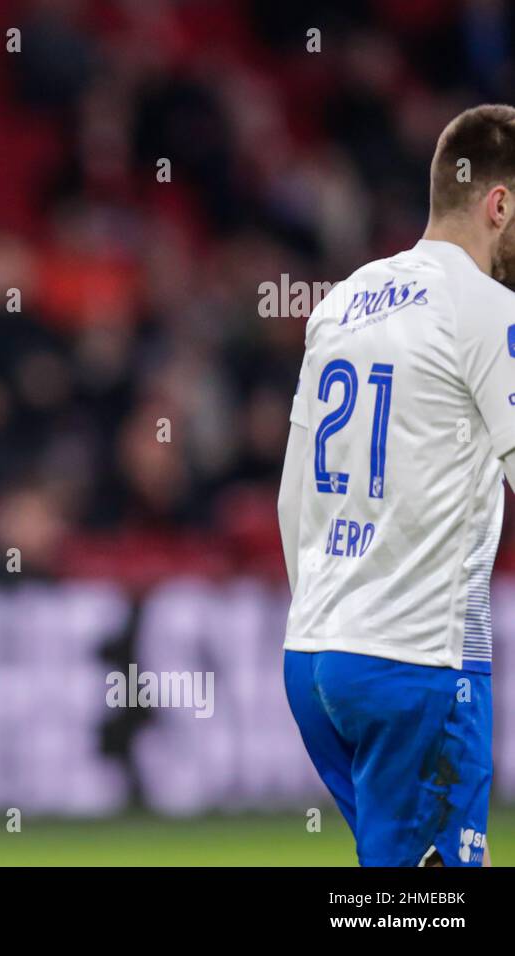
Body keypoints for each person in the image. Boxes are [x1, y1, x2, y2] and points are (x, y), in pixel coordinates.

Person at [276, 104, 515, 867]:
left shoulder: (341, 302)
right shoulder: (488, 310)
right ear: (499, 204)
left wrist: (334, 620)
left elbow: (291, 499)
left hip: (315, 657)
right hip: (417, 662)